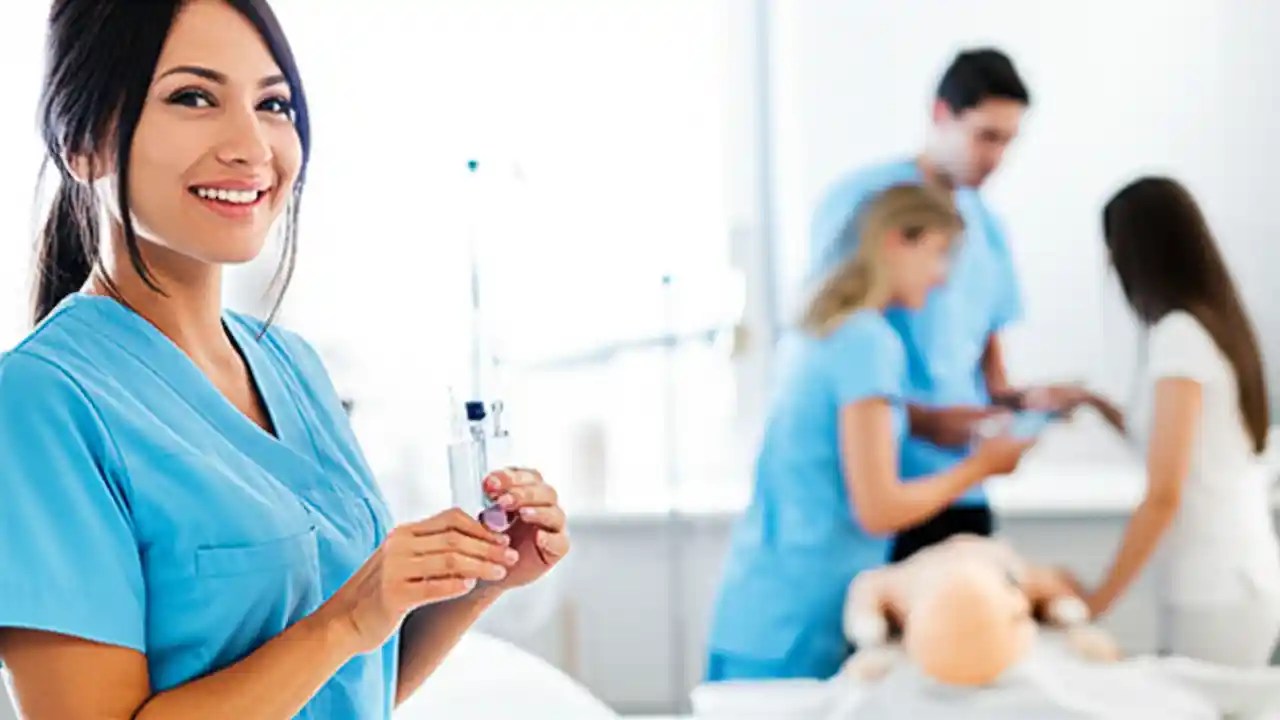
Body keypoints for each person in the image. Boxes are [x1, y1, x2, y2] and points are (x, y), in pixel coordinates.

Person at [0, 2, 569, 718]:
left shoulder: (292, 367)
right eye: (193, 97)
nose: (251, 144)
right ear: (81, 141)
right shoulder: (43, 400)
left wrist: (480, 578)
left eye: (273, 104)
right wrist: (349, 618)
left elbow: (349, 685)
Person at [704, 184, 1034, 681]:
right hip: (801, 619)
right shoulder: (868, 342)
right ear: (897, 241)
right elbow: (879, 508)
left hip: (761, 605)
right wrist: (982, 467)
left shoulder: (819, 331)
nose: (943, 278)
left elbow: (830, 432)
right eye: (940, 254)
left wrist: (926, 422)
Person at [809, 48, 1082, 563]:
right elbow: (823, 336)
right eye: (986, 136)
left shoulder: (989, 229)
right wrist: (922, 422)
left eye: (1009, 142)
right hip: (884, 483)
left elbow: (991, 368)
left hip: (961, 491)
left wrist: (1027, 407)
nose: (997, 157)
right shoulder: (861, 203)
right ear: (941, 115)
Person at [1074, 176, 1280, 667]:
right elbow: (1172, 443)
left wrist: (1097, 602)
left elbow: (1165, 491)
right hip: (1228, 578)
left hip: (1219, 587)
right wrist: (1092, 403)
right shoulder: (1207, 324)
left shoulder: (1178, 337)